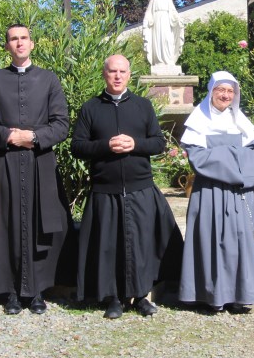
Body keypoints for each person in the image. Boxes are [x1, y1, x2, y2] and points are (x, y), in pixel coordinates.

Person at [72, 55, 183, 319]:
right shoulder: (91, 108)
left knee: (142, 246)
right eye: (112, 71)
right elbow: (77, 146)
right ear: (104, 74)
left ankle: (141, 296)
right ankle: (113, 298)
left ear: (129, 75)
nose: (118, 76)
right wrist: (105, 146)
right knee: (109, 247)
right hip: (105, 190)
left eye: (122, 71)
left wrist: (135, 144)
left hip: (139, 188)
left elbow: (158, 143)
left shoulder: (143, 106)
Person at [0, 23, 72, 315]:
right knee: (7, 226)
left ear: (32, 44)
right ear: (7, 46)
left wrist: (33, 137)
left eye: (24, 38)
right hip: (6, 162)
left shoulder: (49, 79)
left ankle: (38, 290)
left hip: (39, 161)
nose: (19, 43)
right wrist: (7, 135)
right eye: (13, 39)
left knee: (39, 225)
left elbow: (62, 124)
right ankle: (13, 292)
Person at [179, 71, 254, 312]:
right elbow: (198, 158)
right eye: (220, 90)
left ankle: (240, 296)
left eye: (230, 91)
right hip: (210, 192)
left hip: (239, 192)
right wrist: (235, 157)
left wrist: (227, 160)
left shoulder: (242, 122)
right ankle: (211, 296)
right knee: (210, 240)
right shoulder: (199, 122)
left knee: (240, 241)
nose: (225, 95)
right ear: (211, 91)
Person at [143, 0, 185, 68]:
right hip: (157, 22)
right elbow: (148, 13)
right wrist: (146, 21)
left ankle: (169, 60)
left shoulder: (168, 0)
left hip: (166, 21)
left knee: (168, 40)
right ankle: (159, 61)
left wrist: (178, 19)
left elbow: (174, 12)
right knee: (158, 41)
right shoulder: (153, 0)